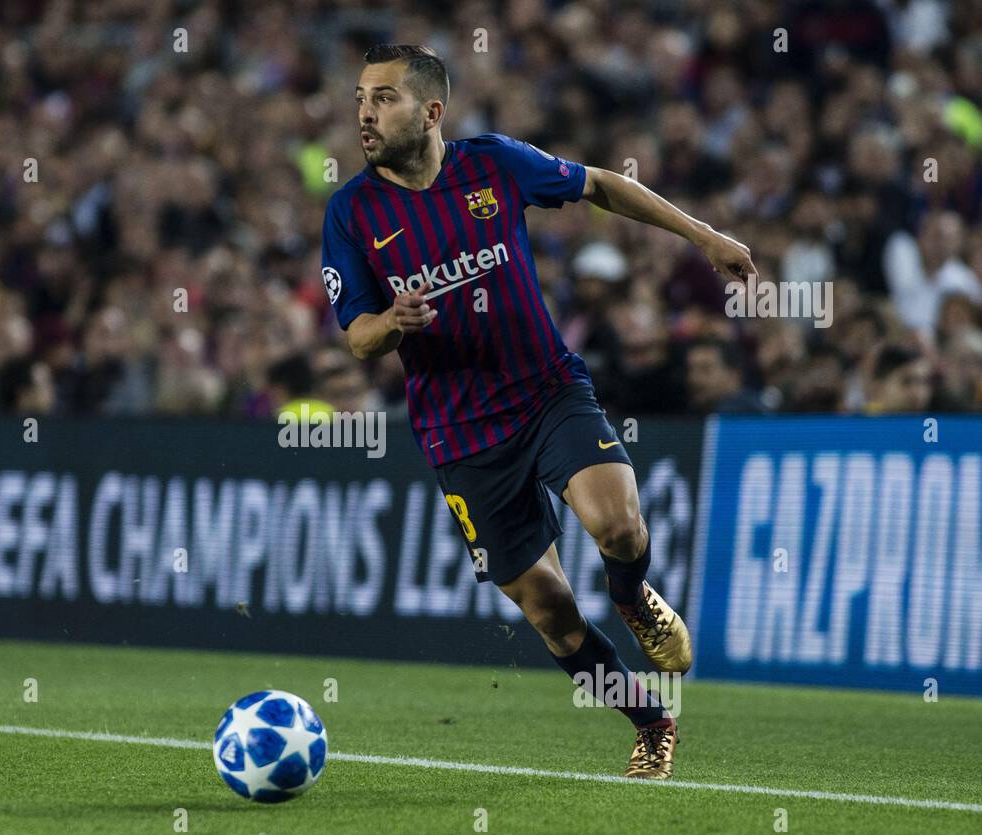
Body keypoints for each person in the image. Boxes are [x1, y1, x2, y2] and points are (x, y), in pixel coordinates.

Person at [320, 44, 757, 779]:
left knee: (618, 525)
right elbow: (357, 335)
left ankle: (630, 596)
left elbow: (603, 187)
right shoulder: (352, 211)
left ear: (431, 111)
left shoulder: (493, 164)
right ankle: (651, 721)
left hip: (545, 389)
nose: (365, 111)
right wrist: (393, 322)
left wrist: (704, 235)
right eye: (360, 96)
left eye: (384, 97)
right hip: (458, 431)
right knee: (550, 610)